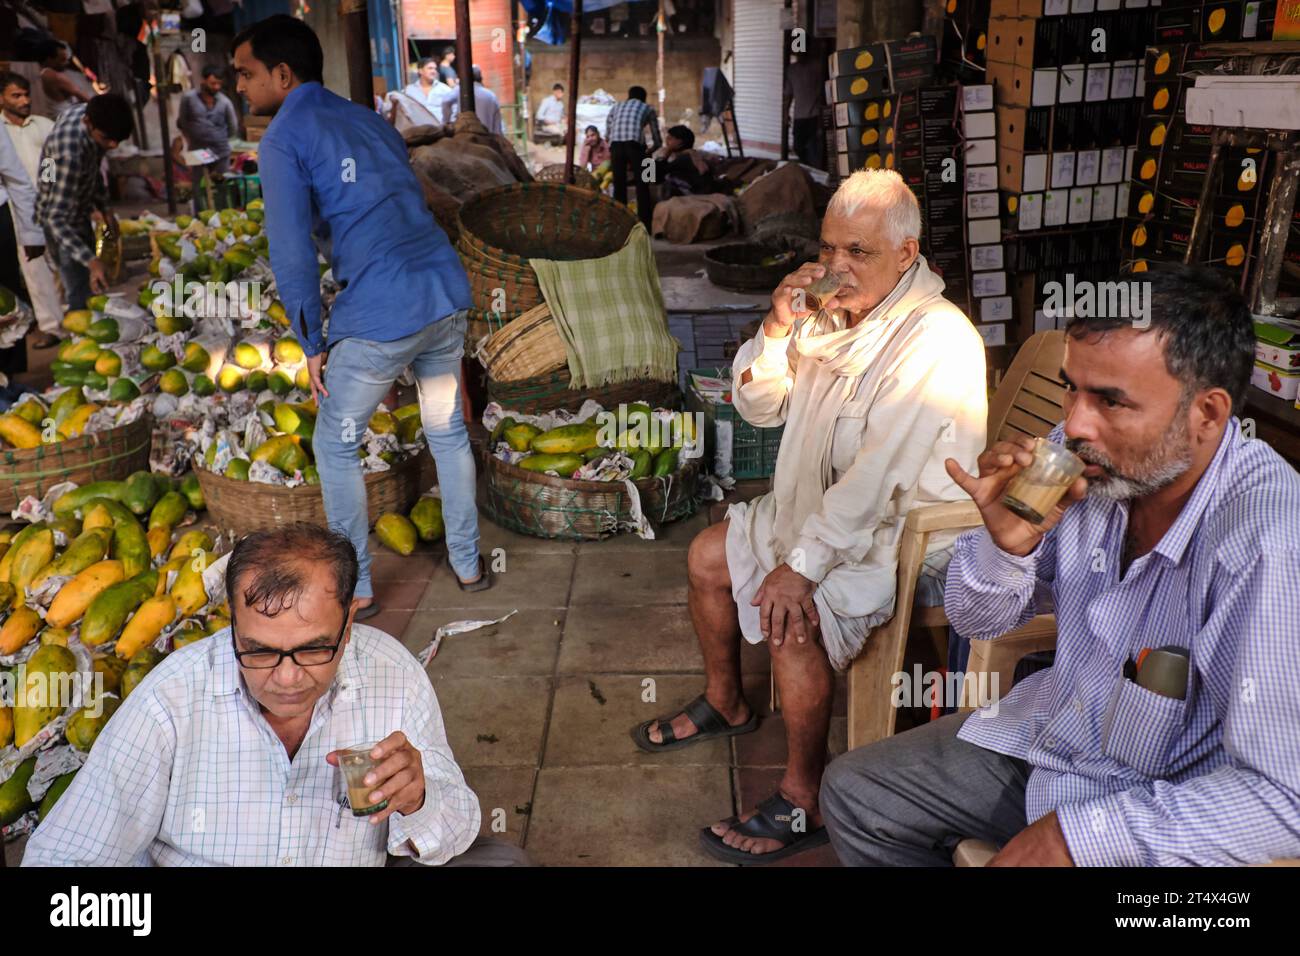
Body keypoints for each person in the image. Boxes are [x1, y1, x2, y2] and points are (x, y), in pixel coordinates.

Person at [821, 264, 1300, 867]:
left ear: (1207, 414)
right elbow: (976, 621)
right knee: (857, 794)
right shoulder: (1086, 462)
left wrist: (1076, 838)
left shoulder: (1270, 543)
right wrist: (1007, 545)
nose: (1073, 423)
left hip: (1169, 803)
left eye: (1110, 401)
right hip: (1062, 739)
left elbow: (1285, 799)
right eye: (1072, 388)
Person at [631, 169, 988, 863]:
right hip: (818, 507)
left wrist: (801, 568)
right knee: (707, 555)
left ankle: (804, 796)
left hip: (902, 534)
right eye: (830, 249)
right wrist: (774, 329)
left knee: (793, 616)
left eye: (859, 252)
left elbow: (876, 477)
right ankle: (727, 702)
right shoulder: (831, 315)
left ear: (906, 254)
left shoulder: (934, 339)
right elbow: (758, 407)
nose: (836, 267)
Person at [23, 524, 530, 867]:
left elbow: (456, 828)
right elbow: (65, 858)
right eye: (260, 651)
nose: (286, 679)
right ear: (232, 628)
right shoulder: (171, 699)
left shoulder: (392, 675)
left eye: (312, 650)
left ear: (349, 624)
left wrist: (418, 798)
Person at [234, 15, 490, 609]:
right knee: (447, 430)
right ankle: (470, 564)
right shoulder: (369, 120)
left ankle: (357, 589)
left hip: (382, 310)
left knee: (336, 445)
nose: (242, 88)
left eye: (247, 75)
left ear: (282, 73)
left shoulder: (281, 140)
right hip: (444, 292)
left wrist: (312, 340)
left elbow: (291, 248)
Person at [34, 93, 133, 311]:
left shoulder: (92, 114)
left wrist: (105, 209)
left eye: (118, 139)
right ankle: (79, 336)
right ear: (88, 123)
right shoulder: (69, 153)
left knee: (91, 283)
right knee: (78, 286)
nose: (113, 145)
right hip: (57, 216)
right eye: (107, 138)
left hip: (72, 198)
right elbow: (55, 219)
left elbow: (93, 168)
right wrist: (92, 261)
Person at [1, 71, 59, 348]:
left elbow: (59, 160)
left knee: (66, 265)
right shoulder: (2, 129)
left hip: (53, 202)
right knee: (36, 273)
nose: (24, 100)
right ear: (2, 99)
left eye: (26, 94)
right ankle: (51, 327)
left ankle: (79, 319)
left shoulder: (45, 125)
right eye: (16, 95)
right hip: (18, 209)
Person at [176, 65, 239, 213]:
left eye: (218, 84)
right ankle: (201, 217)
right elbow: (182, 122)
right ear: (203, 81)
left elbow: (233, 127)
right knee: (199, 186)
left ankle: (223, 216)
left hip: (220, 150)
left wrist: (218, 138)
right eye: (212, 83)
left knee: (222, 185)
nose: (216, 87)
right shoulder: (188, 99)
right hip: (197, 149)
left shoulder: (225, 102)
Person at [605, 85, 661, 228]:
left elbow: (608, 131)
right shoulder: (647, 108)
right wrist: (650, 151)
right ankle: (645, 224)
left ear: (629, 96)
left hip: (616, 145)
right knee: (642, 184)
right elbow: (657, 139)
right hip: (635, 146)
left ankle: (620, 223)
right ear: (644, 98)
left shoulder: (617, 106)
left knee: (619, 184)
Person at [785, 46, 827, 169]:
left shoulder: (817, 67)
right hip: (799, 116)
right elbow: (788, 94)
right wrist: (785, 113)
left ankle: (813, 172)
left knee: (814, 148)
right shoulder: (791, 70)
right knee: (798, 147)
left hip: (815, 115)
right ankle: (807, 168)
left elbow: (824, 90)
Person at [37, 39, 94, 119]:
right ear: (49, 59)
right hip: (66, 116)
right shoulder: (56, 76)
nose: (67, 63)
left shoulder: (41, 73)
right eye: (62, 60)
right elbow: (83, 96)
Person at [652, 124, 711, 198]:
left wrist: (667, 152)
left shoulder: (685, 158)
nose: (666, 141)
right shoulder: (691, 154)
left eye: (670, 138)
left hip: (695, 196)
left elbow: (655, 177)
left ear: (680, 142)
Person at [446, 65, 503, 134]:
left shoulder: (460, 90)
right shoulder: (491, 96)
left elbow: (445, 101)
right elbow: (498, 127)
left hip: (465, 137)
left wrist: (447, 122)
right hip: (487, 139)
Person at [402, 56, 455, 124]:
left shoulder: (445, 89)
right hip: (418, 130)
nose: (433, 71)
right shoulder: (409, 90)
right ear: (420, 71)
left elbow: (454, 109)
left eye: (435, 69)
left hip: (440, 130)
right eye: (430, 68)